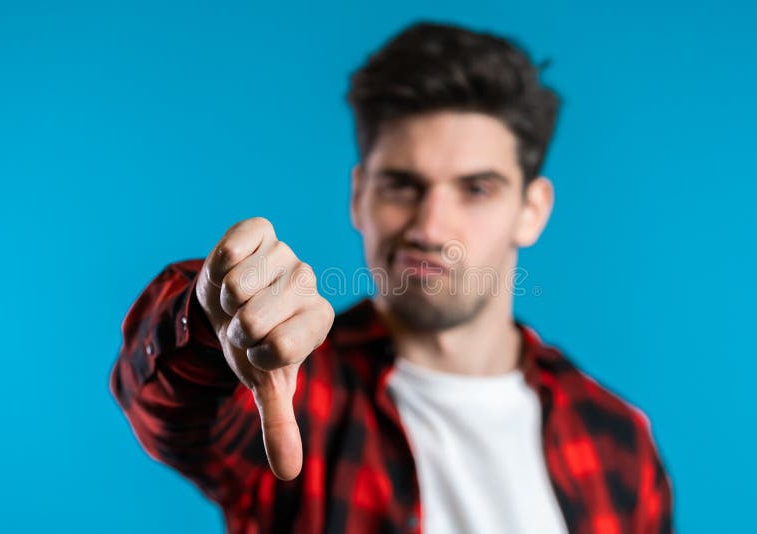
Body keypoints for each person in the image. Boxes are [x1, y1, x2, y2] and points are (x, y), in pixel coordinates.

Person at [110, 20, 673, 534]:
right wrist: (213, 322)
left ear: (532, 210)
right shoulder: (293, 393)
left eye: (476, 189)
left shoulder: (615, 440)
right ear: (359, 196)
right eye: (402, 185)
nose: (429, 227)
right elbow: (169, 407)